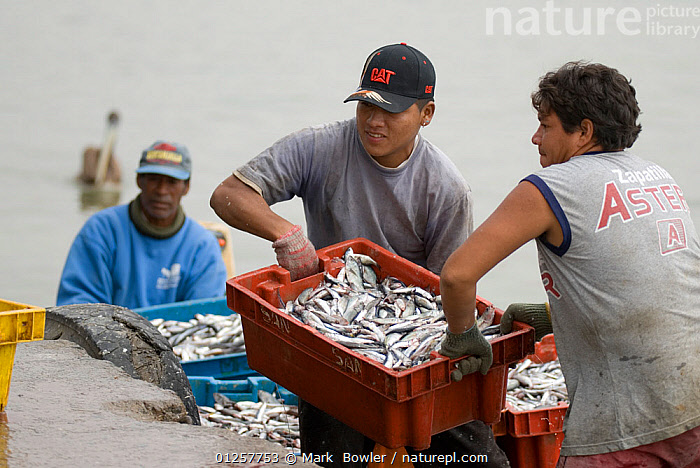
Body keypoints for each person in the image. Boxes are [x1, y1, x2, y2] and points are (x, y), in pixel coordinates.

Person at [211, 44, 509, 467]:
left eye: (391, 111)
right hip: (332, 341)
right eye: (366, 105)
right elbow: (228, 194)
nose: (373, 120)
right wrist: (286, 233)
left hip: (409, 341)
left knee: (481, 462)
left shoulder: (445, 189)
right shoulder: (319, 146)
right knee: (334, 458)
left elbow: (446, 292)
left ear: (427, 114)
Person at [438, 61, 700, 467]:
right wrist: (552, 314)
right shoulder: (656, 175)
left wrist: (462, 336)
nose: (535, 137)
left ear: (584, 132)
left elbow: (456, 276)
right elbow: (656, 281)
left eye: (546, 125)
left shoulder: (549, 188)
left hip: (625, 429)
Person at [57, 141, 228, 309]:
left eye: (171, 182)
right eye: (154, 179)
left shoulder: (203, 246)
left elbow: (204, 315)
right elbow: (77, 305)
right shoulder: (100, 230)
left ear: (186, 187)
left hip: (176, 337)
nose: (161, 190)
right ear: (139, 180)